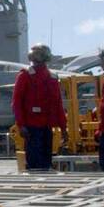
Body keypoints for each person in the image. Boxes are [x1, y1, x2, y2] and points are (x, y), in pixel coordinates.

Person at [12, 43, 66, 171]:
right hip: (31, 128)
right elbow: (16, 102)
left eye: (39, 54)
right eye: (34, 54)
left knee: (46, 161)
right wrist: (21, 125)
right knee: (34, 163)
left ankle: (44, 185)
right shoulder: (25, 75)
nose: (36, 58)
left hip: (47, 127)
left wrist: (64, 127)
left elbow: (58, 104)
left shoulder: (52, 78)